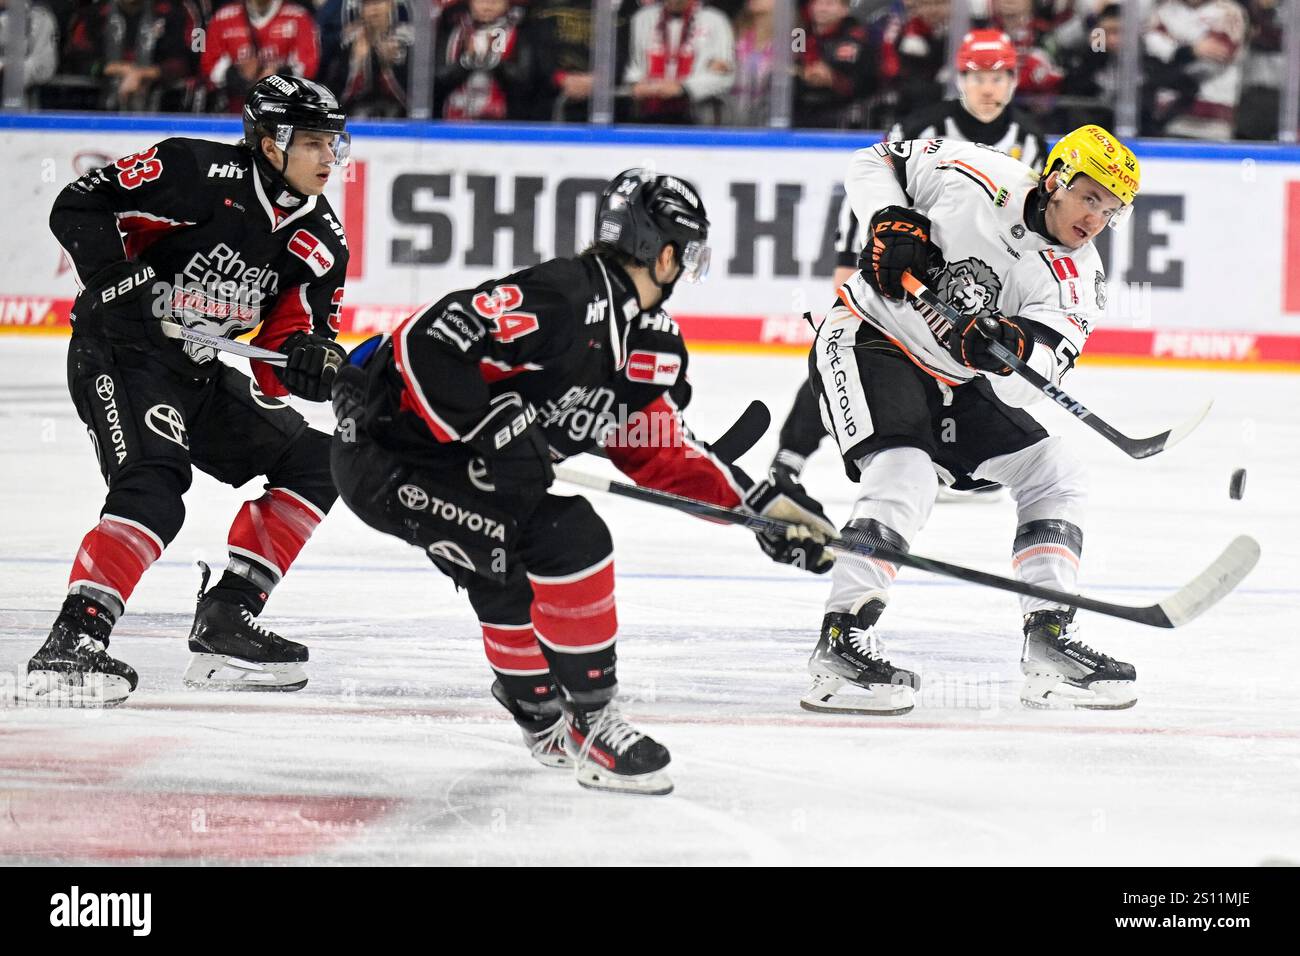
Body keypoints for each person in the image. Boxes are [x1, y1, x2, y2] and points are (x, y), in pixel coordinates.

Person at [330, 169, 835, 795]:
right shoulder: (565, 297)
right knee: (569, 535)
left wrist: (756, 508)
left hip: (471, 480)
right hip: (390, 462)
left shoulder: (647, 340)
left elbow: (657, 452)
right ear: (668, 251)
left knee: (509, 574)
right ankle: (593, 725)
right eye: (691, 252)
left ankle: (541, 714)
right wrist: (492, 429)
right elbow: (428, 342)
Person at [28, 75, 352, 706]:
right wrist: (116, 280)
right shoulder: (194, 171)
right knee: (155, 484)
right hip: (122, 354)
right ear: (268, 142)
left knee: (318, 462)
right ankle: (73, 639)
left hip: (200, 370)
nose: (326, 158)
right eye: (311, 142)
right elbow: (77, 204)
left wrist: (312, 358)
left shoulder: (320, 240)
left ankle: (227, 618)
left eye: (331, 143)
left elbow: (282, 354)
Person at [796, 125, 1141, 716]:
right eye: (1089, 198)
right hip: (868, 335)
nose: (1095, 221)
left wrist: (1007, 346)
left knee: (1053, 471)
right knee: (905, 469)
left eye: (1110, 211)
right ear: (1056, 179)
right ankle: (840, 643)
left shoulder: (1077, 280)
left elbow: (1033, 378)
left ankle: (1050, 638)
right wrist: (889, 219)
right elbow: (874, 158)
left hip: (954, 380)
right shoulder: (976, 171)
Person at [768, 29, 1045, 502]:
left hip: (972, 278)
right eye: (977, 76)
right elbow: (868, 188)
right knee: (855, 346)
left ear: (1015, 81)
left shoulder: (1031, 142)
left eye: (999, 77)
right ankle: (790, 456)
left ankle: (951, 460)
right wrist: (844, 260)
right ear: (959, 79)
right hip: (902, 268)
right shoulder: (922, 127)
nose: (988, 88)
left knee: (963, 363)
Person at [201, 0, 322, 112]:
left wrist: (278, 76)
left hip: (285, 110)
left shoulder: (299, 17)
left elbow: (308, 66)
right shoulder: (223, 18)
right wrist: (237, 73)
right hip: (233, 110)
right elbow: (209, 64)